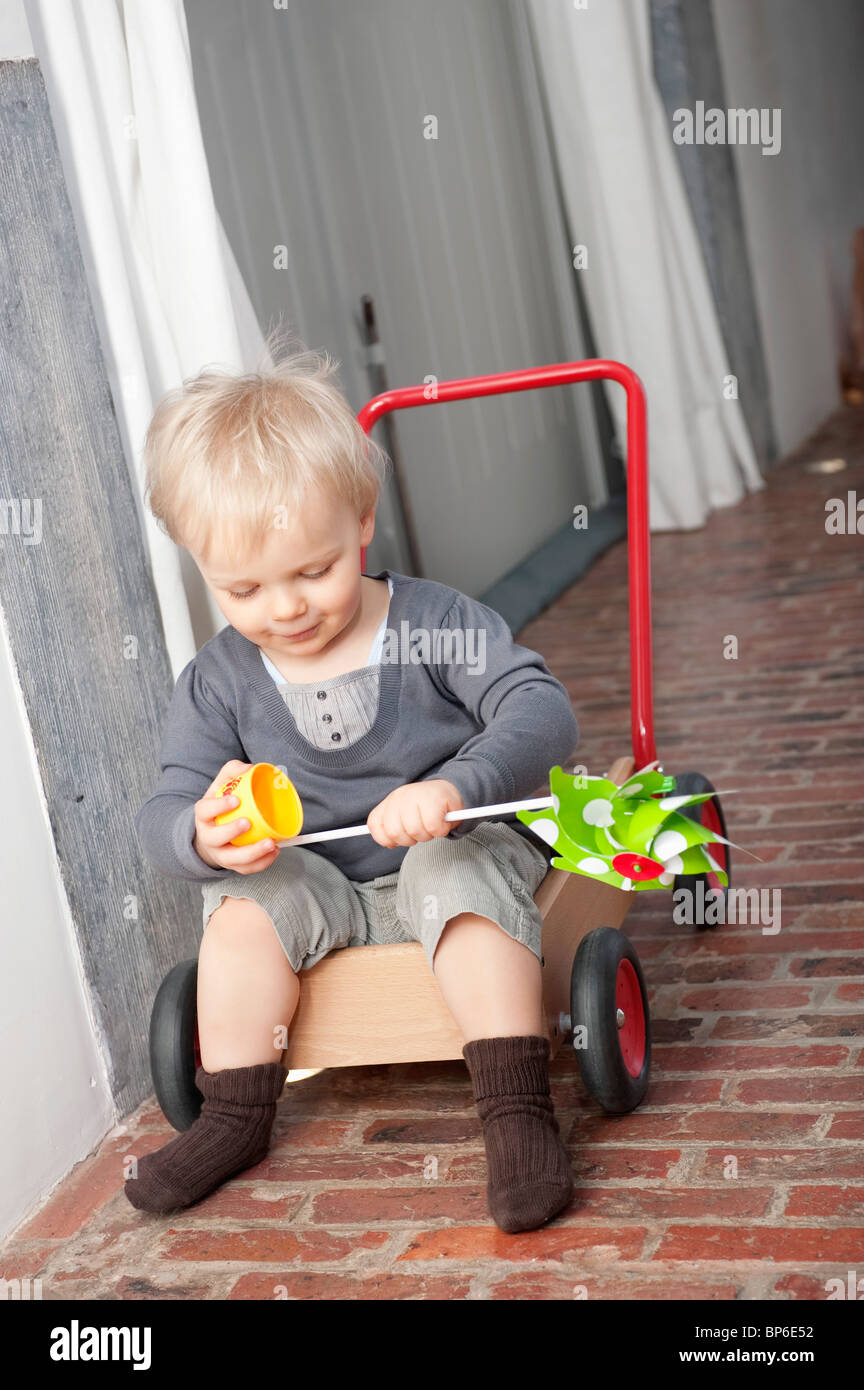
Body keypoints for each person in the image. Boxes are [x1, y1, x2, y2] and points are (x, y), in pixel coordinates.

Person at [126, 329, 580, 1233]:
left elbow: (543, 711)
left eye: (314, 571)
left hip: (451, 850)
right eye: (244, 591)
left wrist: (458, 784)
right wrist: (200, 835)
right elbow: (162, 810)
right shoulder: (218, 680)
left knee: (452, 871)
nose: (286, 608)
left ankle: (519, 1110)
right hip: (327, 887)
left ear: (362, 521)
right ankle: (235, 1116)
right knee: (245, 903)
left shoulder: (432, 623)